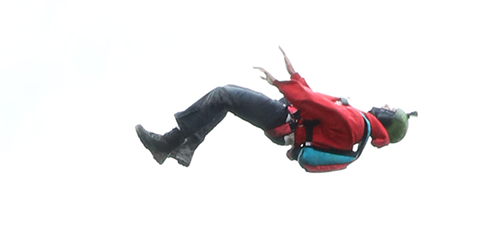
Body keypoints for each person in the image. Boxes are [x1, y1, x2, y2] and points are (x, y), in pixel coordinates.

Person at [137, 51, 412, 174]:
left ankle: (169, 143)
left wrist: (282, 83)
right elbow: (320, 112)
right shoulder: (360, 126)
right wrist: (296, 76)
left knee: (223, 95)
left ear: (388, 119)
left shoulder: (358, 122)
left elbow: (315, 106)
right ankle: (186, 147)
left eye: (389, 109)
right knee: (225, 100)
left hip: (284, 121)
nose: (384, 105)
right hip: (288, 119)